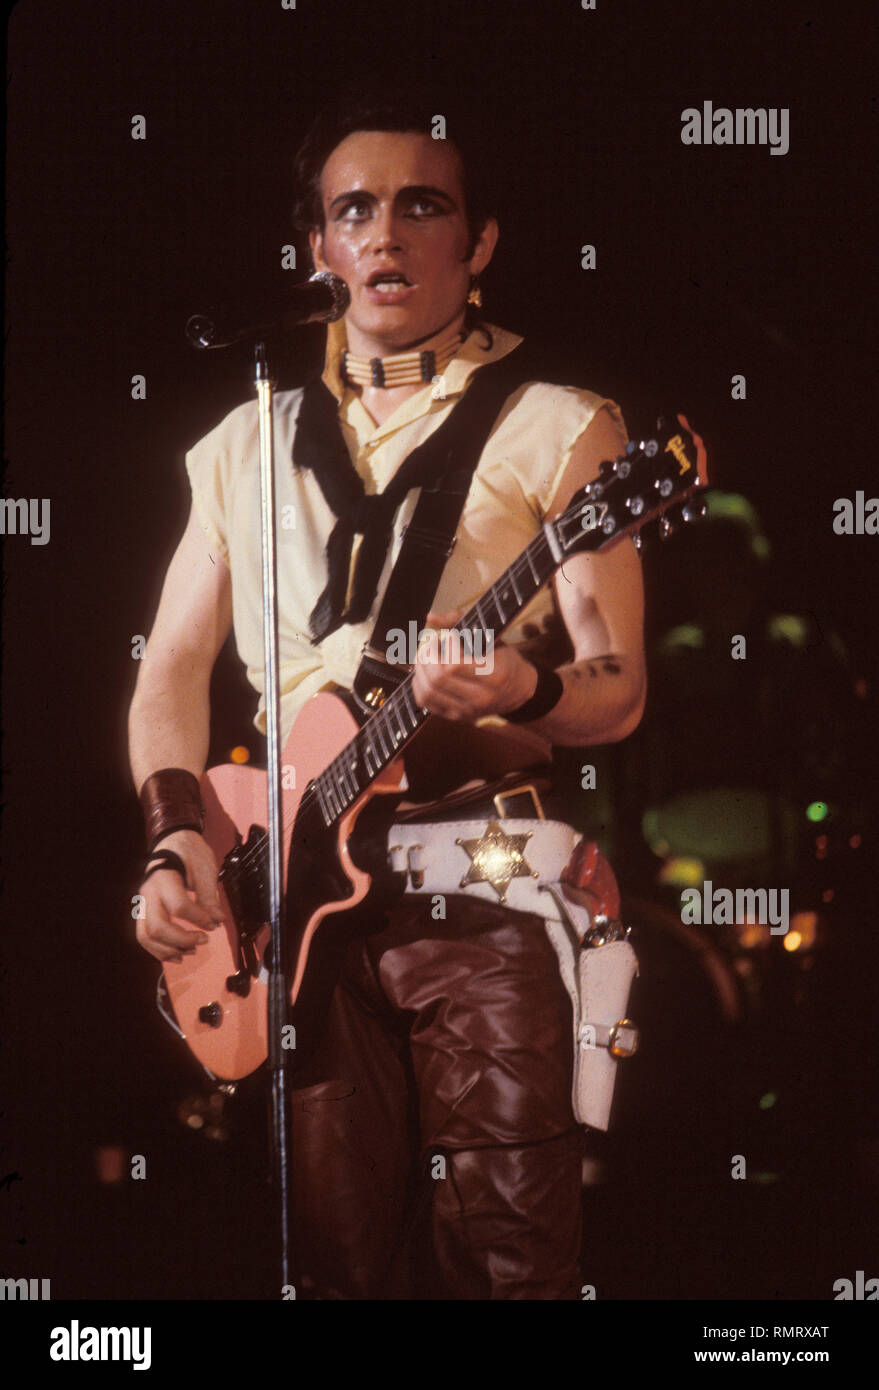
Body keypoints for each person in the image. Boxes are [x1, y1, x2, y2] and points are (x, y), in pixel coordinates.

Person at [129, 95, 647, 1299]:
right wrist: (172, 839)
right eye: (354, 208)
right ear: (319, 246)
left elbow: (617, 691)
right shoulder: (238, 443)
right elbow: (167, 671)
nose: (388, 232)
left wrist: (523, 681)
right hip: (288, 905)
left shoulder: (563, 427)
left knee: (506, 1256)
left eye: (426, 204)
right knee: (338, 1263)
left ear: (481, 242)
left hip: (480, 880)